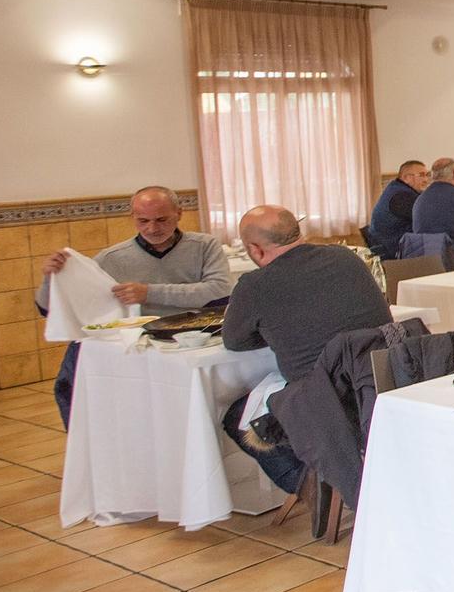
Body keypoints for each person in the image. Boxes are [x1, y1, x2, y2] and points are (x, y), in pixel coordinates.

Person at [220, 206, 390, 494]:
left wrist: (274, 330)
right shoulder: (346, 258)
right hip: (382, 380)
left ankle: (307, 483)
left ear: (255, 250)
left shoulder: (255, 285)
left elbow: (235, 340)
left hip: (328, 400)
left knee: (237, 414)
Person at [36, 186, 230, 427]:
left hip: (194, 340)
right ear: (132, 218)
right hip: (139, 348)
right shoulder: (112, 258)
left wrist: (148, 292)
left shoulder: (204, 246)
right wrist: (51, 278)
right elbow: (56, 308)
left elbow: (218, 290)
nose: (152, 228)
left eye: (161, 220)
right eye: (143, 221)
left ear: (179, 214)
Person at [365, 160, 430, 257]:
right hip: (392, 251)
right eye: (421, 175)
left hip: (389, 245)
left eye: (427, 175)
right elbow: (427, 218)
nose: (426, 180)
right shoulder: (401, 196)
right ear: (406, 178)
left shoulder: (397, 189)